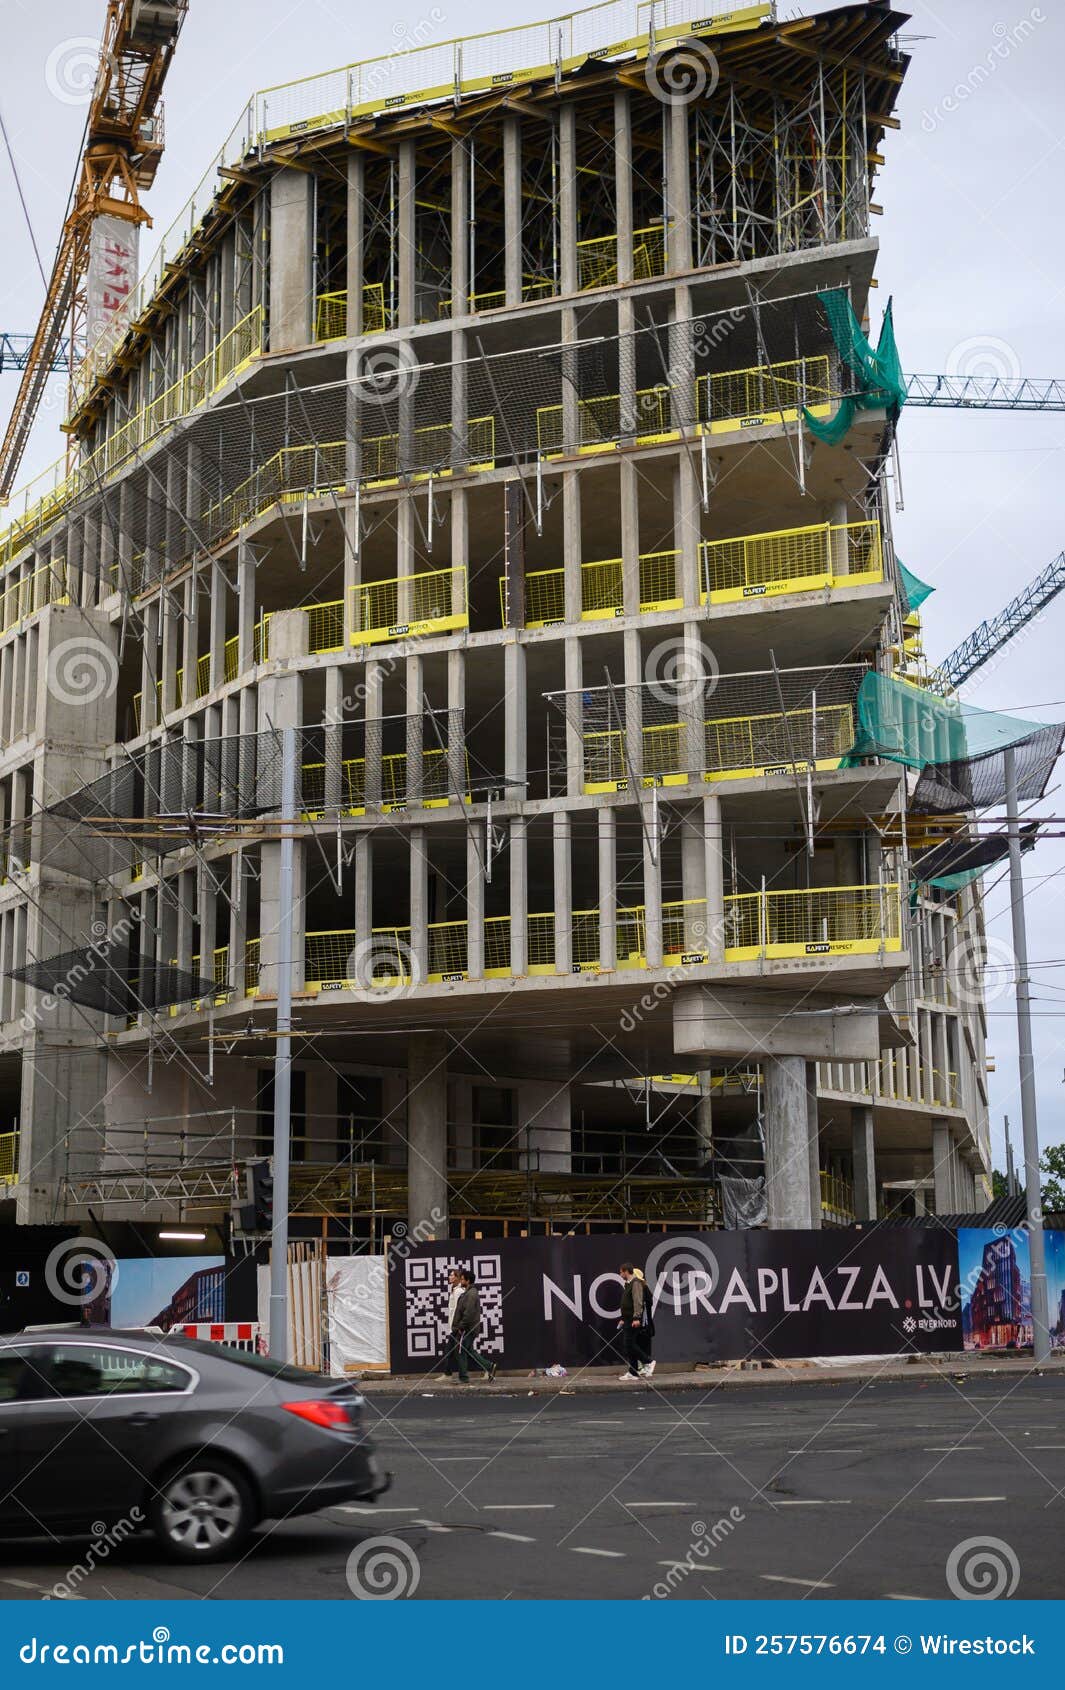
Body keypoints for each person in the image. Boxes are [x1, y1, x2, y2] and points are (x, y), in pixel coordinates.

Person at [453, 1270, 497, 1383]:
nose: (461, 1281)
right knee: (469, 1350)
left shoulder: (471, 1294)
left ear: (468, 1281)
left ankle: (463, 1378)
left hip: (467, 1328)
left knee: (460, 1351)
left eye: (462, 1279)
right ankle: (489, 1366)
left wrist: (461, 1326)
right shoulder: (468, 1293)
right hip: (468, 1328)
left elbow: (468, 1313)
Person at [617, 1262, 646, 1381]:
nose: (620, 1274)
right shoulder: (628, 1284)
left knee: (629, 1344)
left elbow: (637, 1302)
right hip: (627, 1319)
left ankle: (648, 1361)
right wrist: (623, 1319)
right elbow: (627, 1304)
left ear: (626, 1271)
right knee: (629, 1346)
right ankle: (633, 1372)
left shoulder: (636, 1283)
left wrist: (636, 1318)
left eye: (621, 1272)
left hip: (633, 1320)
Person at [632, 1265, 655, 1378]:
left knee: (642, 1344)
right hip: (645, 1322)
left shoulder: (642, 1288)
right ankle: (642, 1367)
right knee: (640, 1345)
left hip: (644, 1323)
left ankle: (647, 1367)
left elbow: (644, 1306)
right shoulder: (644, 1287)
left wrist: (640, 1320)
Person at [441, 1268, 463, 1377]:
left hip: (456, 1327)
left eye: (451, 1275)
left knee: (450, 1351)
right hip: (453, 1326)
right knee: (456, 1351)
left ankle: (447, 1374)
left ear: (457, 1277)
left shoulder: (458, 1291)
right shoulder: (453, 1289)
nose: (449, 1277)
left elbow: (459, 1309)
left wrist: (457, 1326)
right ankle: (488, 1367)